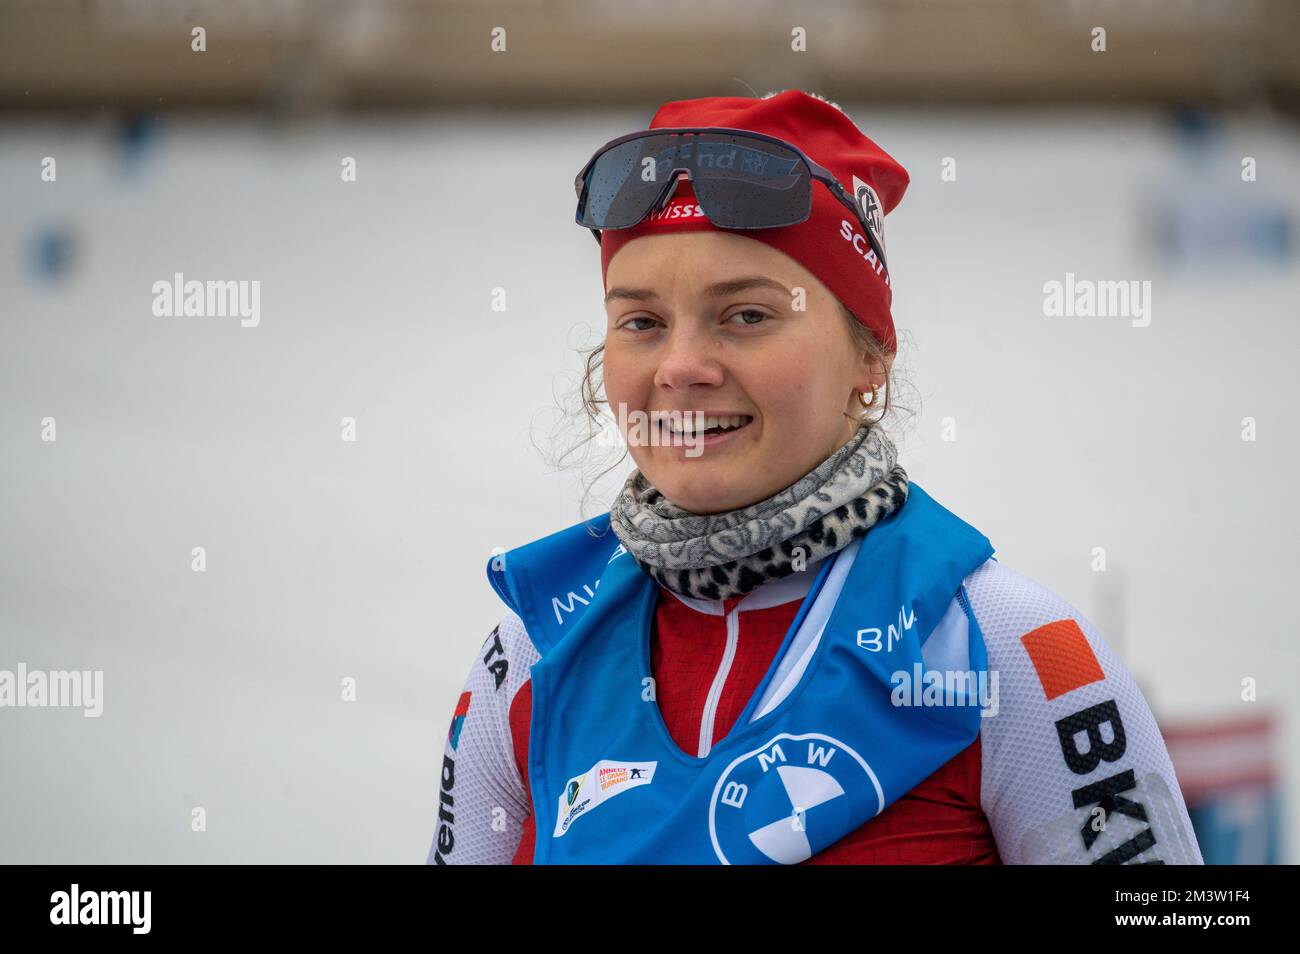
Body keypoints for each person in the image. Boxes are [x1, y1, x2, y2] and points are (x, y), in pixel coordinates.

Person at [428, 89, 1203, 865]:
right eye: (642, 323)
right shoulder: (532, 651)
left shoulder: (1004, 649)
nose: (682, 367)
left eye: (748, 316)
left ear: (869, 359)